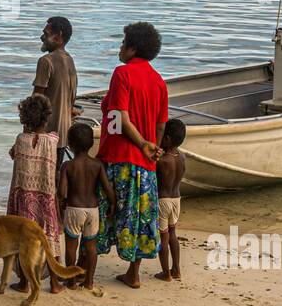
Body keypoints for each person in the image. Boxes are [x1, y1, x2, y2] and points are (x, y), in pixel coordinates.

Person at [96, 22, 169, 289]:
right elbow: (161, 124)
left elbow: (119, 118)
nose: (119, 47)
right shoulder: (159, 81)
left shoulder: (122, 74)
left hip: (120, 157)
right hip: (146, 164)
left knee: (106, 211)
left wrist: (141, 144)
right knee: (138, 215)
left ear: (133, 47)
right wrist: (154, 147)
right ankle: (133, 273)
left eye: (123, 42)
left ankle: (85, 268)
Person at [7, 94, 62, 297]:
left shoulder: (21, 140)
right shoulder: (53, 140)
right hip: (45, 197)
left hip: (22, 197)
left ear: (24, 119)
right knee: (49, 241)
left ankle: (24, 282)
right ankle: (55, 283)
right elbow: (52, 135)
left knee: (24, 242)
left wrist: (25, 131)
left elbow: (13, 154)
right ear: (46, 118)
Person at [57, 122, 113, 291]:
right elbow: (108, 189)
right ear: (91, 144)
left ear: (70, 145)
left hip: (74, 209)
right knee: (91, 247)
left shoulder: (67, 166)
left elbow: (62, 192)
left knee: (71, 248)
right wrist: (113, 205)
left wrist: (60, 207)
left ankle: (72, 281)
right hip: (93, 210)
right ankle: (89, 281)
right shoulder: (97, 165)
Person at [33, 16, 79, 167]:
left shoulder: (46, 61)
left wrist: (28, 133)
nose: (42, 38)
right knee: (53, 177)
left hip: (45, 134)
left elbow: (36, 102)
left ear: (58, 36)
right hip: (62, 135)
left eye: (46, 34)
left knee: (38, 181)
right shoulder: (69, 60)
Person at [154, 118, 186, 282]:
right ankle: (177, 269)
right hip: (177, 199)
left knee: (163, 237)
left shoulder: (162, 161)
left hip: (163, 201)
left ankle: (165, 272)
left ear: (166, 138)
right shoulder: (182, 157)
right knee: (173, 233)